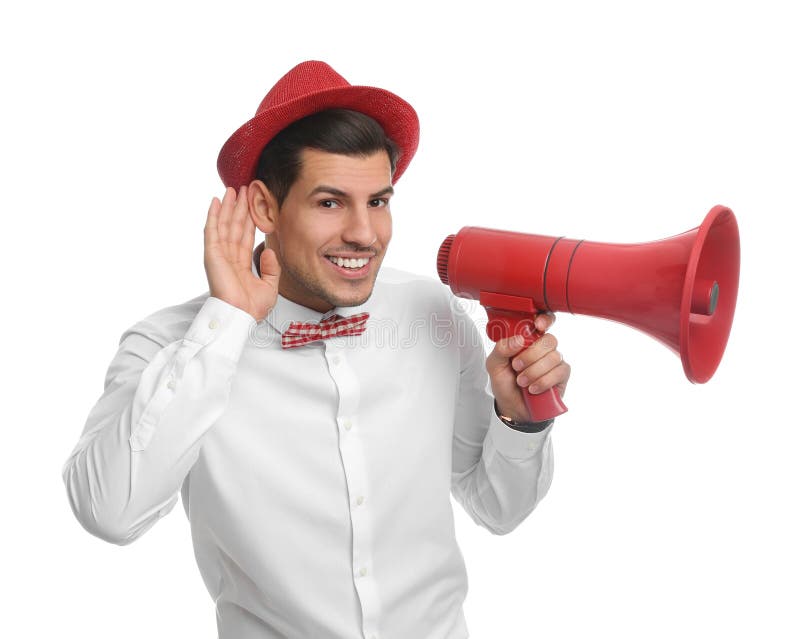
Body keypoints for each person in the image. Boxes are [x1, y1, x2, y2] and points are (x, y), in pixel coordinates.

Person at [63, 61, 571, 639]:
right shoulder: (167, 345)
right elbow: (109, 513)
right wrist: (224, 327)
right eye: (330, 203)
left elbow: (498, 509)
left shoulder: (433, 315)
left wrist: (520, 422)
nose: (364, 234)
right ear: (264, 209)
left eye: (378, 202)